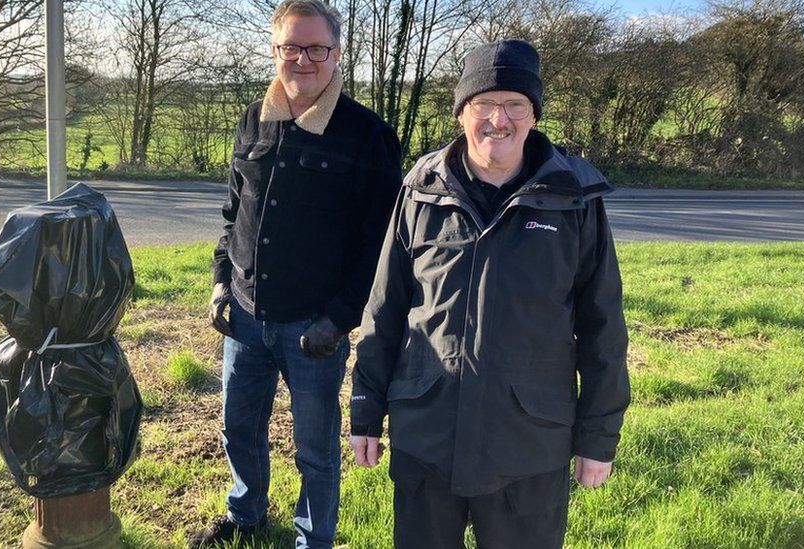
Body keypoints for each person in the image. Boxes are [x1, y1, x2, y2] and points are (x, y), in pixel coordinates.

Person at [349, 39, 630, 548]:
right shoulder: (420, 192)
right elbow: (384, 309)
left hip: (528, 443)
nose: (499, 119)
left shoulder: (573, 200)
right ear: (462, 111)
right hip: (427, 434)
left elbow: (603, 327)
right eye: (484, 104)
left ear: (533, 115)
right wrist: (367, 411)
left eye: (515, 105)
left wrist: (598, 437)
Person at [192, 1, 402, 547]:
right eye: (291, 47)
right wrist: (220, 281)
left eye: (316, 49)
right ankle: (247, 515)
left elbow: (378, 247)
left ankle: (316, 540)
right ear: (275, 51)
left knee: (314, 449)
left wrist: (339, 319)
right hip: (242, 318)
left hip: (314, 330)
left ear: (336, 53)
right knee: (239, 428)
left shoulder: (367, 136)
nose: (303, 60)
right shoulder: (252, 118)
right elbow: (233, 212)